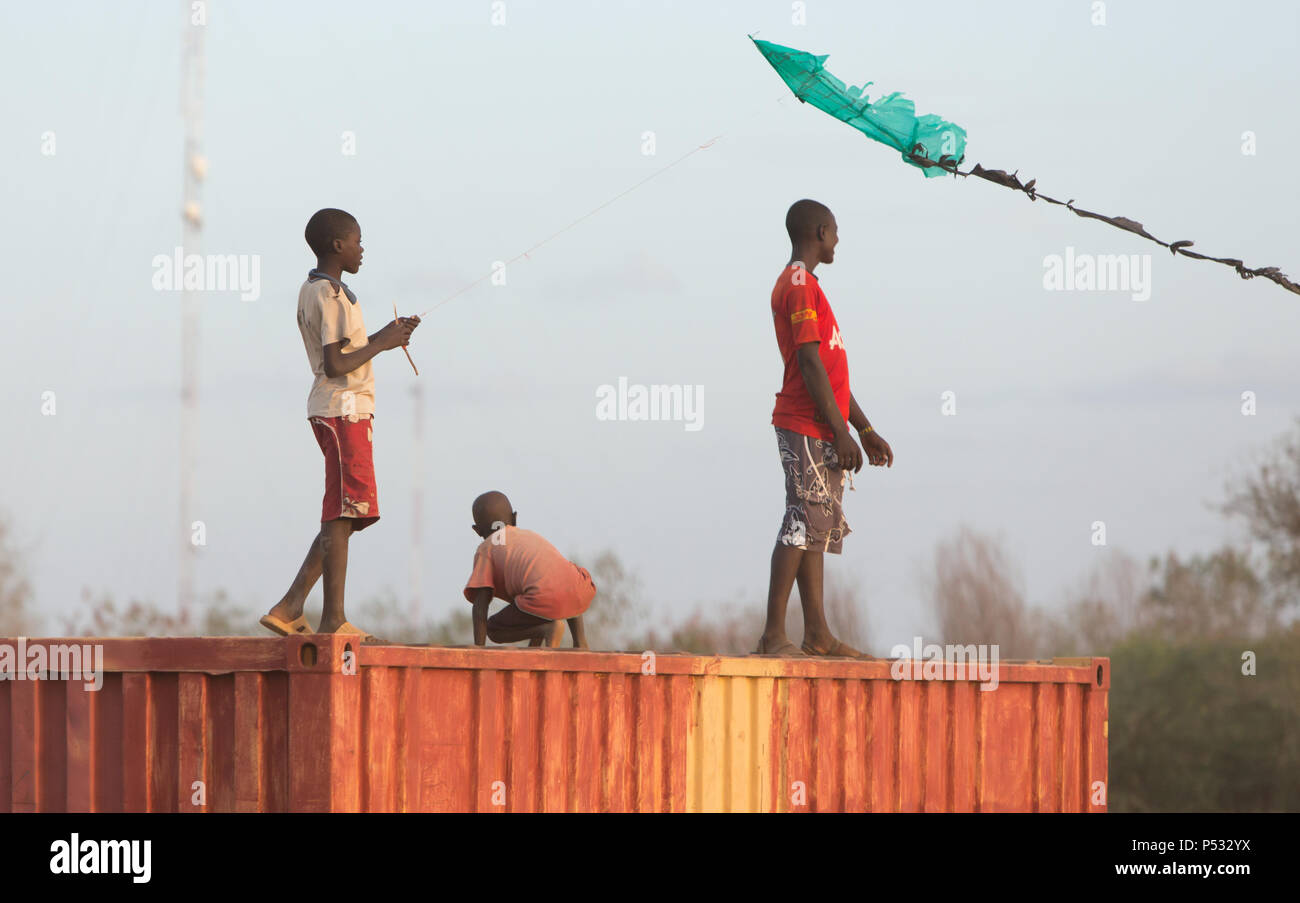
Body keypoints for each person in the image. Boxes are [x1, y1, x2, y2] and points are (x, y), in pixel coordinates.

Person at [260, 208, 419, 642]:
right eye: (358, 241)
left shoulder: (323, 290)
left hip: (344, 409)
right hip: (341, 407)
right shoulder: (328, 294)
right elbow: (334, 364)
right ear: (337, 246)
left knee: (347, 514)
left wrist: (387, 335)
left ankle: (291, 606)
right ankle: (332, 619)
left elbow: (347, 351)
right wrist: (384, 343)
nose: (362, 248)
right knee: (343, 512)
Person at [756, 199, 893, 658]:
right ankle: (774, 633)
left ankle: (817, 633)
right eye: (835, 231)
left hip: (822, 424)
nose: (838, 240)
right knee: (802, 517)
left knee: (816, 523)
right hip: (804, 423)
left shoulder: (809, 287)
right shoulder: (797, 284)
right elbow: (810, 363)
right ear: (819, 231)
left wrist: (864, 428)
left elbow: (831, 373)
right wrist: (839, 432)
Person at [462, 491, 594, 648]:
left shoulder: (486, 549)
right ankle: (580, 643)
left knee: (493, 629)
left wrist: (479, 650)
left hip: (542, 596)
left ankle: (548, 629)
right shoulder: (529, 536)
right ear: (515, 518)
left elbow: (480, 605)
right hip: (578, 586)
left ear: (477, 530)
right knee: (565, 583)